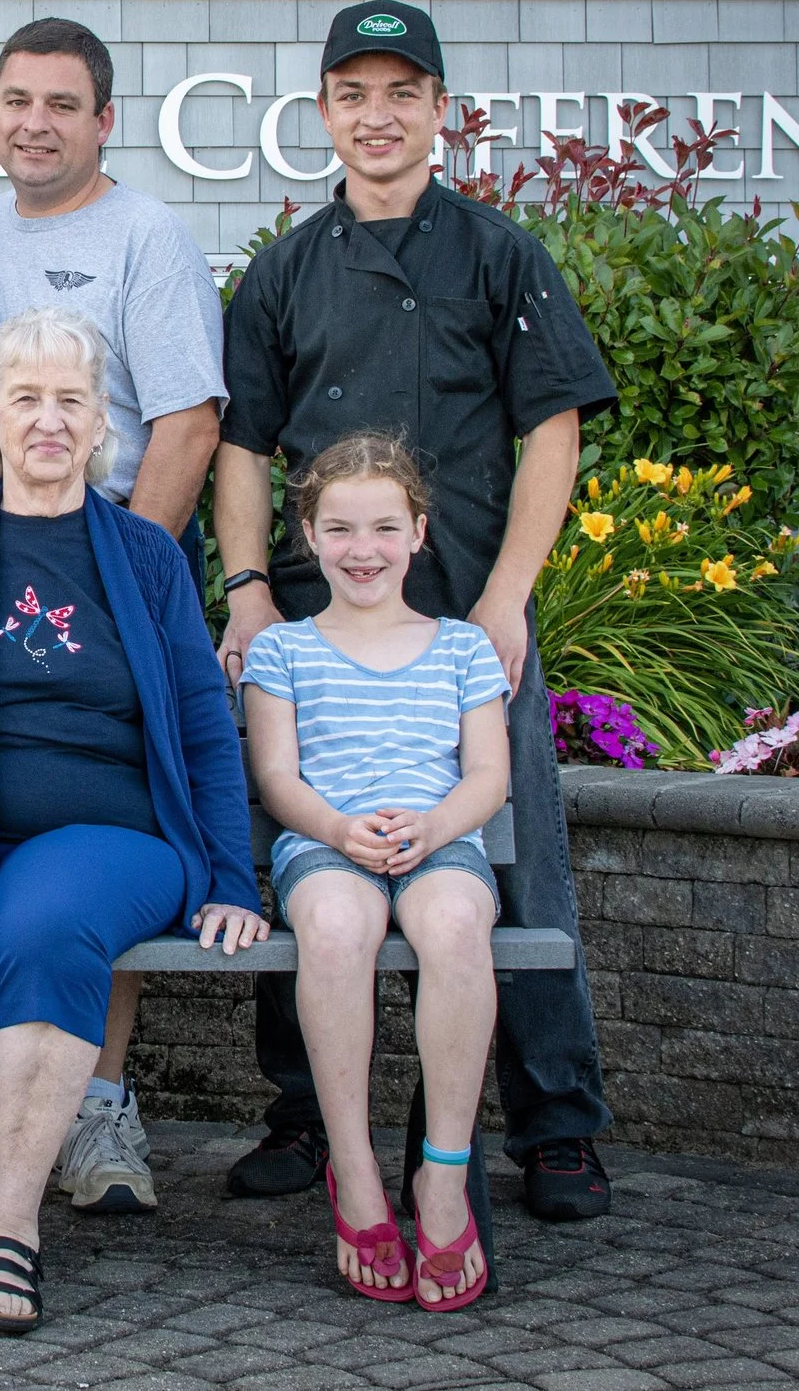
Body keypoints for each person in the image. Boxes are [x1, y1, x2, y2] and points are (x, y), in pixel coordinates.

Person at [217, 0, 621, 1222]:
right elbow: (243, 443)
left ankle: (555, 1122)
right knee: (305, 853)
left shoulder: (499, 254)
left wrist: (508, 599)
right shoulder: (283, 269)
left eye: (402, 93)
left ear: (440, 112)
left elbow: (550, 428)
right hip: (316, 627)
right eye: (353, 94)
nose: (376, 116)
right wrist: (244, 593)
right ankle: (304, 1111)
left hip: (465, 618)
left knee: (519, 870)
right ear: (325, 113)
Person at [0, 309, 267, 1336]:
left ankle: (11, 1228)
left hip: (103, 830)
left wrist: (230, 877)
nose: (48, 420)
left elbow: (202, 717)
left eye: (71, 399)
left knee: (44, 928)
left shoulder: (147, 558)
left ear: (100, 420)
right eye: (25, 397)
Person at [0, 17, 228, 1213]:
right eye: (15, 101)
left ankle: (101, 1111)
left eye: (61, 103)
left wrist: (127, 577)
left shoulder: (146, 234)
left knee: (106, 795)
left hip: (111, 550)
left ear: (103, 120)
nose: (34, 122)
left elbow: (187, 419)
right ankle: (29, 1105)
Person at [240, 433, 508, 1312]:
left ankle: (442, 1174)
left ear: (419, 533)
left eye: (386, 528)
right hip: (328, 842)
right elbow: (277, 777)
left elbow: (488, 778)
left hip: (439, 841)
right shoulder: (284, 651)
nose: (365, 549)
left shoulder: (463, 647)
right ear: (309, 537)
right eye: (342, 528)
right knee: (335, 928)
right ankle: (354, 1173)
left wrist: (434, 827)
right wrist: (336, 828)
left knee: (458, 928)